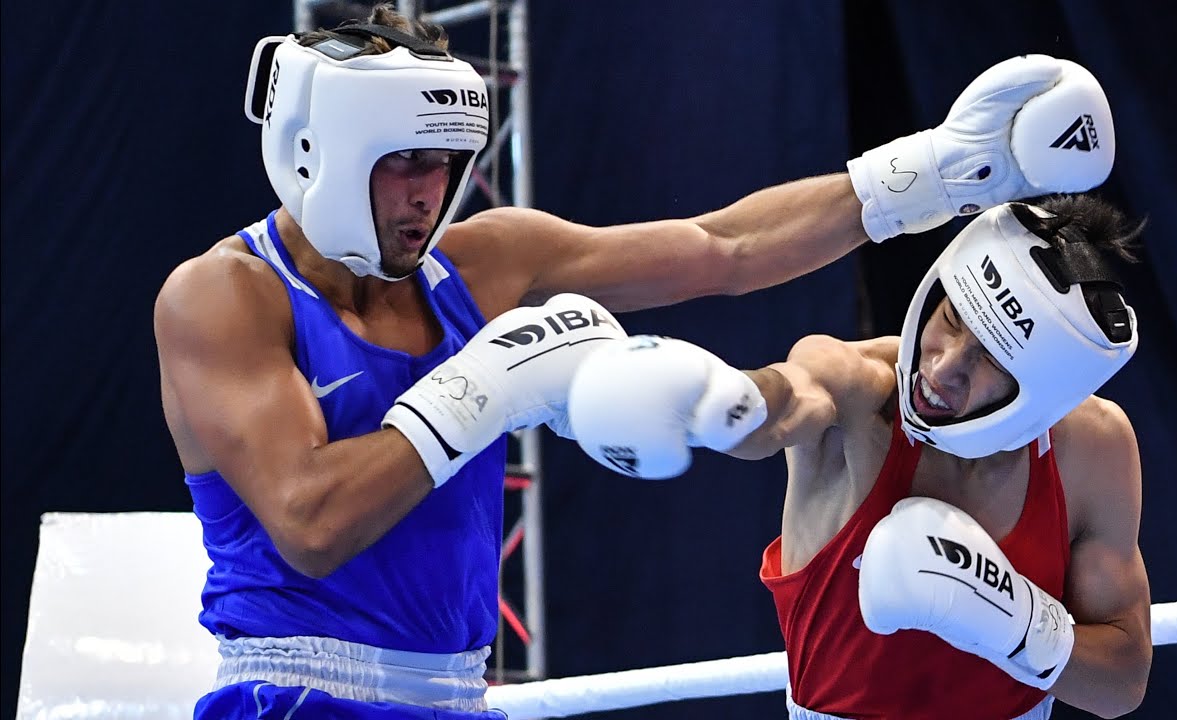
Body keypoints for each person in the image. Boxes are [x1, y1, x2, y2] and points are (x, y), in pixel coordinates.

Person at [152, 4, 1114, 717]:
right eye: (404, 161)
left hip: (453, 696)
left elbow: (723, 247)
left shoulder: (483, 262)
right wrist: (490, 385)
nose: (430, 193)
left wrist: (938, 170)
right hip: (293, 695)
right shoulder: (224, 296)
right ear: (316, 147)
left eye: (445, 162)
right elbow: (310, 523)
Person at [568, 192, 1152, 720]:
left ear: (1045, 392)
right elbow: (791, 400)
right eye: (951, 319)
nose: (944, 366)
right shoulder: (859, 392)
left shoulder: (1092, 448)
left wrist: (1016, 623)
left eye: (990, 358)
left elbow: (1123, 683)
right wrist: (718, 397)